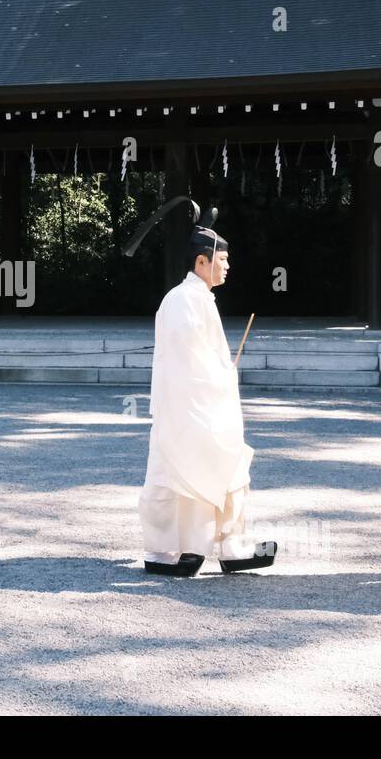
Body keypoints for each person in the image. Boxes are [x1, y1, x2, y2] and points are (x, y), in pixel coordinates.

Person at [123, 198, 277, 577]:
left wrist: (222, 375)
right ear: (202, 262)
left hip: (199, 405)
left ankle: (222, 546)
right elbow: (188, 363)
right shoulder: (183, 301)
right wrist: (222, 377)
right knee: (193, 469)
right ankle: (176, 552)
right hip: (190, 407)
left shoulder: (196, 299)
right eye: (222, 259)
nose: (228, 265)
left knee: (219, 468)